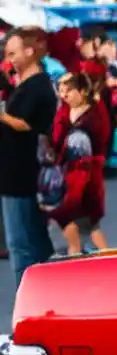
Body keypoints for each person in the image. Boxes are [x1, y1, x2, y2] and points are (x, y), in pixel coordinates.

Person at [0, 27, 58, 286]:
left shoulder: (36, 85)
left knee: (21, 243)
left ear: (29, 51)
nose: (9, 58)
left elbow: (24, 123)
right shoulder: (28, 83)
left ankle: (28, 302)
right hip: (19, 171)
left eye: (13, 52)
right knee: (33, 238)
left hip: (20, 173)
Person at [48, 73, 110, 255]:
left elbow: (101, 139)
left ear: (82, 92)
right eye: (61, 91)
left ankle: (80, 254)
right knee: (87, 223)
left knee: (81, 219)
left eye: (69, 91)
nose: (65, 95)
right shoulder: (65, 112)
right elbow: (56, 140)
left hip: (85, 175)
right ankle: (86, 253)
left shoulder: (94, 114)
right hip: (69, 174)